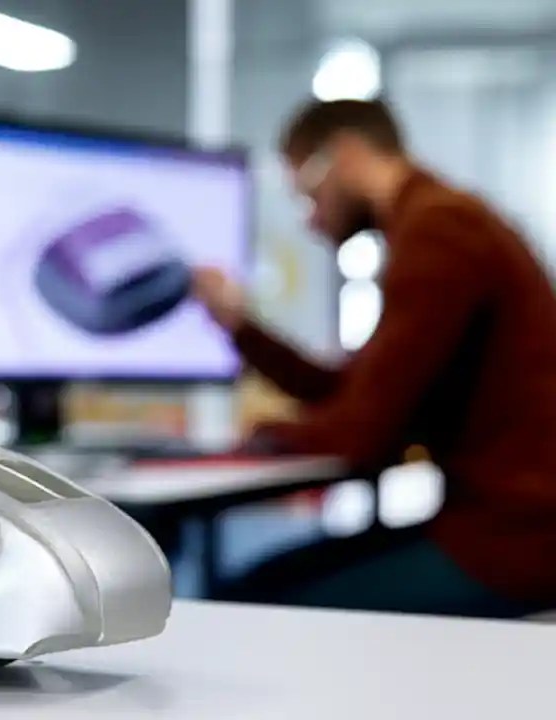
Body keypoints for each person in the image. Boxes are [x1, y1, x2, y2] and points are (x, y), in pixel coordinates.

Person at [192, 98, 556, 618]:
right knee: (261, 585)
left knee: (249, 602)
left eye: (310, 195)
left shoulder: (440, 232)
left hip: (512, 542)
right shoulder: (437, 223)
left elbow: (364, 428)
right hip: (499, 527)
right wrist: (238, 326)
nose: (312, 221)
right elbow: (352, 391)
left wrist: (270, 436)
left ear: (344, 154)